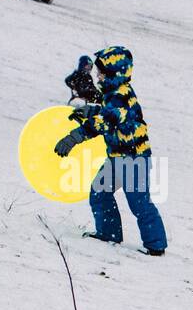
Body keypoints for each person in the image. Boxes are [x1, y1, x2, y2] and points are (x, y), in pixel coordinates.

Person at [53, 46, 166, 256]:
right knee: (99, 193)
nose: (97, 76)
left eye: (101, 72)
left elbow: (107, 121)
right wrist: (89, 110)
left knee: (139, 204)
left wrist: (74, 138)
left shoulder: (120, 96)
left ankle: (156, 246)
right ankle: (109, 233)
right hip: (116, 158)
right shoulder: (112, 93)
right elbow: (106, 112)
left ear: (115, 73)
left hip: (134, 159)